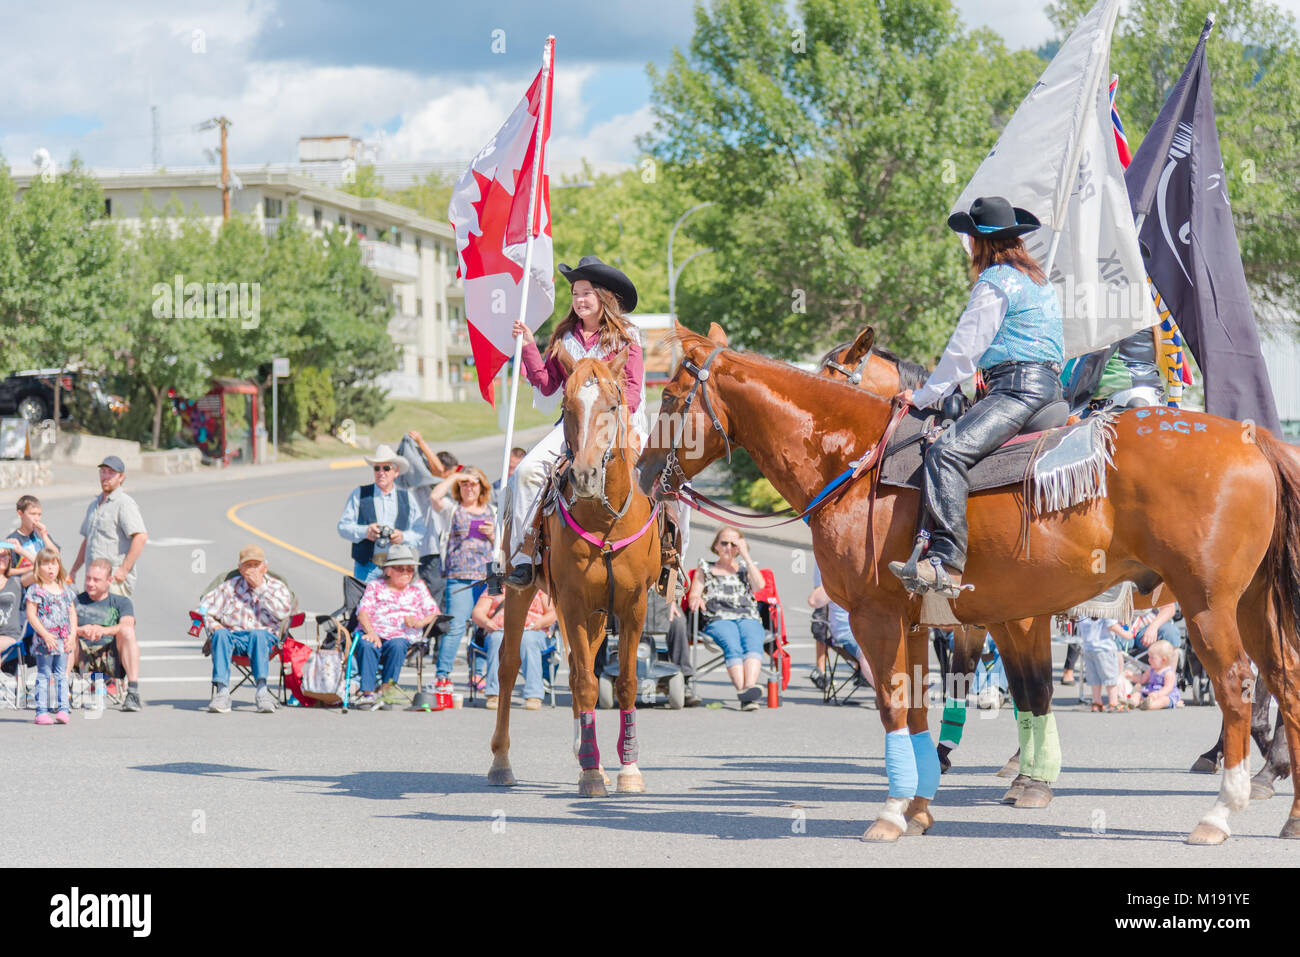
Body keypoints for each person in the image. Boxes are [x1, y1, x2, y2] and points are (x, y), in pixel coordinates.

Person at [888, 197, 1064, 597]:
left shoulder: (996, 282)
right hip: (1049, 388)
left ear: (978, 242)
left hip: (1018, 390)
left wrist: (924, 395)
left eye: (969, 239)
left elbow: (964, 352)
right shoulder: (1039, 280)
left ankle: (946, 562)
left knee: (946, 452)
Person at [504, 255, 646, 587]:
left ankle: (670, 556)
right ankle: (524, 555)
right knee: (525, 473)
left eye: (586, 293)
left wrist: (609, 423)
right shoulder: (564, 336)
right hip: (573, 427)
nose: (579, 300)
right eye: (575, 294)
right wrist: (527, 346)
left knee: (671, 478)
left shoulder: (627, 337)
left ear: (603, 297)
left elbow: (635, 392)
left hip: (620, 422)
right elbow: (547, 383)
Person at [198, 545, 295, 714]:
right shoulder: (229, 586)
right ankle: (222, 692)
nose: (252, 569)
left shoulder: (277, 587)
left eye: (256, 565)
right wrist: (215, 625)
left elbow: (283, 613)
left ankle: (262, 692)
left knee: (258, 634)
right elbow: (204, 609)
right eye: (247, 565)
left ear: (265, 567)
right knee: (220, 635)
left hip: (265, 639)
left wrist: (260, 589)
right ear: (240, 568)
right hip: (234, 637)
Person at [429, 466, 495, 696]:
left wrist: (493, 535)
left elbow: (504, 545)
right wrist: (456, 476)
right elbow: (435, 497)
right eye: (465, 484)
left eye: (474, 484)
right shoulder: (453, 510)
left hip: (488, 576)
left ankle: (480, 672)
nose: (469, 488)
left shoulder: (493, 512)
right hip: (459, 575)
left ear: (482, 487)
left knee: (485, 626)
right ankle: (443, 674)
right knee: (456, 626)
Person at [686, 526, 767, 711]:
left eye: (734, 544)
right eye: (724, 543)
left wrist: (746, 556)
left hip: (747, 616)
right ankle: (745, 693)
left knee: (753, 642)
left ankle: (748, 691)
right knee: (733, 645)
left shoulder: (746, 568)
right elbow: (693, 595)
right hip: (718, 618)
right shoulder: (705, 568)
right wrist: (696, 598)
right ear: (716, 545)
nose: (728, 547)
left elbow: (759, 587)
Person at [354, 545, 440, 708]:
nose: (406, 573)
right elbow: (363, 612)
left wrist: (419, 621)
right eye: (400, 569)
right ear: (388, 570)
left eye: (410, 569)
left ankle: (386, 690)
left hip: (403, 636)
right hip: (376, 632)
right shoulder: (375, 585)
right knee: (367, 643)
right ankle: (368, 693)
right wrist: (371, 631)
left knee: (398, 643)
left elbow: (435, 612)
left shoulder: (418, 587)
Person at [336, 444, 427, 582]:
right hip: (367, 567)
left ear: (396, 472)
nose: (381, 472)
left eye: (386, 468)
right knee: (364, 602)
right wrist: (365, 531)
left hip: (397, 567)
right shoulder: (360, 494)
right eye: (377, 468)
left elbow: (419, 531)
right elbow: (343, 527)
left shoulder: (407, 497)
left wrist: (402, 537)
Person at [70, 558, 143, 712]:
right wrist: (81, 630)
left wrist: (103, 630)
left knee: (128, 632)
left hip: (110, 659)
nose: (90, 583)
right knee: (69, 633)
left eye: (96, 580)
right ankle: (61, 693)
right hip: (81, 658)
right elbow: (62, 627)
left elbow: (128, 624)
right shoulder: (75, 601)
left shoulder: (121, 602)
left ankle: (133, 692)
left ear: (109, 581)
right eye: (88, 578)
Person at [69, 456, 148, 596]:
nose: (105, 476)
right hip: (93, 580)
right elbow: (88, 540)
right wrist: (74, 570)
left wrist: (124, 570)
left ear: (121, 477)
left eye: (111, 473)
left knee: (112, 618)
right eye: (103, 471)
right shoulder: (94, 505)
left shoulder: (124, 503)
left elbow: (140, 537)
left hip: (113, 581)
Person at [470, 585, 557, 710]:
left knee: (528, 640)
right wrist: (487, 622)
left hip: (532, 630)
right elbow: (477, 612)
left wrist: (540, 623)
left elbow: (553, 613)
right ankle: (494, 694)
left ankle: (534, 695)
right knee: (497, 639)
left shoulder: (538, 586)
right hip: (499, 630)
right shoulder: (496, 585)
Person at [25, 547, 76, 725]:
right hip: (45, 640)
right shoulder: (36, 590)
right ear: (38, 567)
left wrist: (72, 635)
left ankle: (63, 709)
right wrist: (45, 634)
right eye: (46, 564)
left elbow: (72, 613)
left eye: (54, 564)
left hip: (62, 639)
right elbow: (31, 615)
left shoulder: (64, 589)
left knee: (61, 674)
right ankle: (41, 711)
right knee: (44, 674)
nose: (50, 568)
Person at [406, 436, 458, 600]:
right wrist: (421, 441)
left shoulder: (448, 489)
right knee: (434, 601)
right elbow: (438, 470)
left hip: (448, 553)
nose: (454, 476)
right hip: (432, 552)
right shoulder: (428, 484)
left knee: (446, 600)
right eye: (452, 472)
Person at [808, 567, 875, 692]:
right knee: (867, 653)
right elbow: (813, 601)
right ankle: (885, 694)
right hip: (846, 632)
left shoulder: (861, 576)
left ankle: (900, 691)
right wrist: (835, 584)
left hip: (868, 629)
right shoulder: (835, 580)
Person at [1078, 616, 1127, 713]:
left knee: (1094, 677)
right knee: (1110, 676)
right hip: (1105, 647)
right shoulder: (1104, 604)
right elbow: (1111, 624)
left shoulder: (1084, 607)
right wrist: (1126, 634)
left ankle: (1096, 703)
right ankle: (1113, 703)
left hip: (1088, 647)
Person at [7, 494, 60, 575]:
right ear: (20, 514)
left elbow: (56, 556)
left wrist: (44, 535)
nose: (37, 518)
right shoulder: (13, 539)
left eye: (39, 514)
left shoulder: (41, 534)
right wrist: (28, 569)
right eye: (32, 514)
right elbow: (7, 571)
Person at [0, 545, 33, 665]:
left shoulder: (16, 582)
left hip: (9, 635)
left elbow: (41, 568)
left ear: (9, 558)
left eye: (4, 555)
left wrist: (19, 550)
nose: (1, 558)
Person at [1133, 639, 1182, 710]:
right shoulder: (1151, 669)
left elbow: (1168, 688)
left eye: (1152, 658)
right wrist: (1131, 676)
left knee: (1164, 700)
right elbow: (1142, 679)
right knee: (1137, 694)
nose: (1149, 660)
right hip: (1150, 692)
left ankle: (1150, 706)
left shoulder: (1169, 673)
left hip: (1165, 694)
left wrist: (1157, 694)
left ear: (1163, 660)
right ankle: (1133, 703)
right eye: (1149, 657)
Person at [491, 447, 525, 512]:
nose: (511, 472)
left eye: (515, 469)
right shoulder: (496, 488)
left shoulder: (531, 487)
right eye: (509, 467)